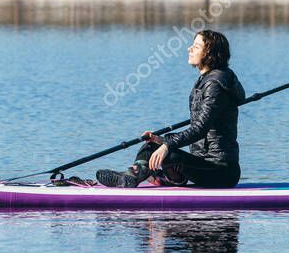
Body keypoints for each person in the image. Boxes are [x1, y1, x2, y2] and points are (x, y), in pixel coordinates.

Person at [96, 29, 245, 189]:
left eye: (196, 46)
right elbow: (199, 129)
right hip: (204, 164)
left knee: (166, 152)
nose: (189, 49)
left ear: (210, 53)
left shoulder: (215, 84)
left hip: (221, 170)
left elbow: (200, 129)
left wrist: (168, 145)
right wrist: (162, 140)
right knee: (151, 145)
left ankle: (144, 177)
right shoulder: (207, 80)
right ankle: (139, 175)